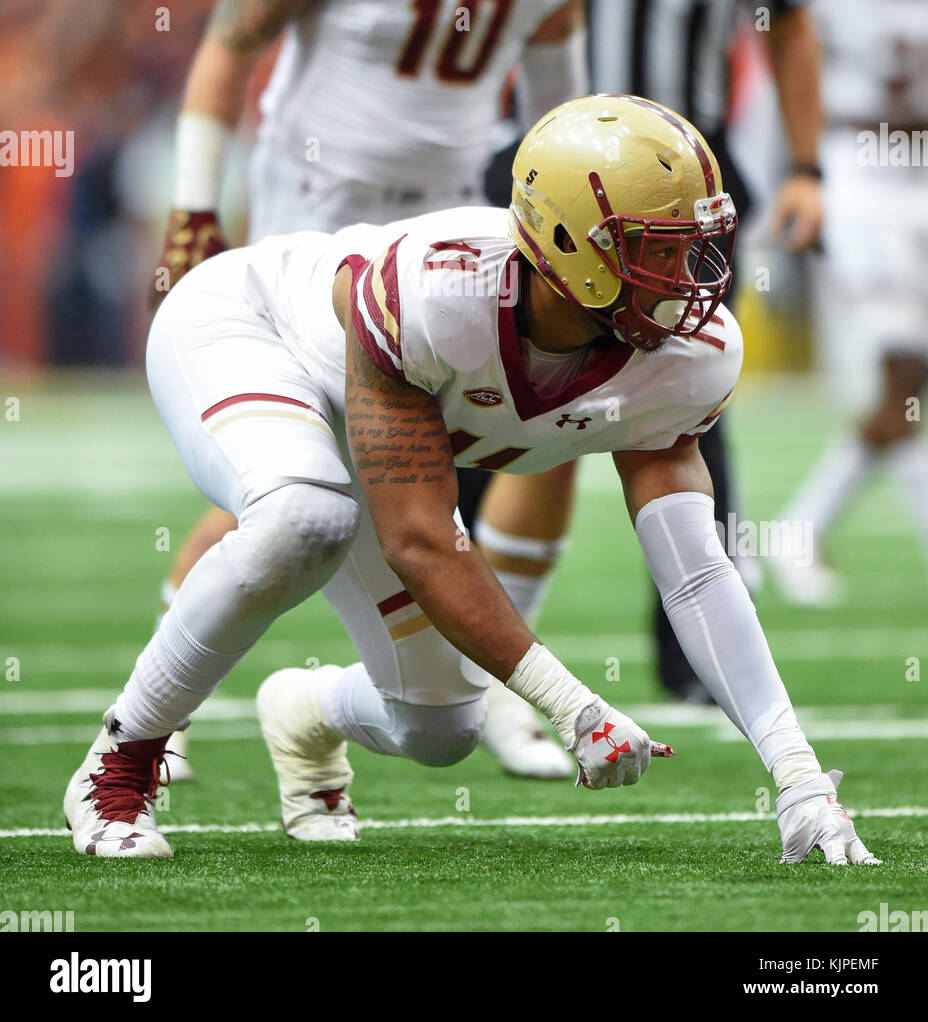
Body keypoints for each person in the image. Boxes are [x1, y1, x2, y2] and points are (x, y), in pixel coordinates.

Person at [65, 94, 879, 869]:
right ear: (567, 245)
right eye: (654, 249)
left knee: (440, 726)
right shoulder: (440, 294)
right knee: (303, 516)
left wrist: (798, 776)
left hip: (371, 423)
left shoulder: (688, 358)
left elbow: (698, 574)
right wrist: (575, 708)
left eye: (693, 243)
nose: (689, 276)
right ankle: (117, 765)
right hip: (253, 331)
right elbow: (422, 539)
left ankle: (302, 712)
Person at [241, 0, 826, 704]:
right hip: (548, 184)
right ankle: (457, 665)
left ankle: (689, 662)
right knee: (466, 400)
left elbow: (791, 16)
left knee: (684, 401)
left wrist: (810, 163)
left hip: (688, 185)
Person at [154, 0, 606, 781]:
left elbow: (555, 94)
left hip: (450, 223)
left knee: (521, 440)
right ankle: (158, 703)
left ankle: (477, 687)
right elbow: (227, 44)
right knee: (305, 489)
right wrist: (193, 200)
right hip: (315, 214)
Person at [769, 0, 928, 604]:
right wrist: (786, 180)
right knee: (904, 365)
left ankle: (799, 533)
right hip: (857, 168)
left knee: (910, 379)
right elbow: (781, 74)